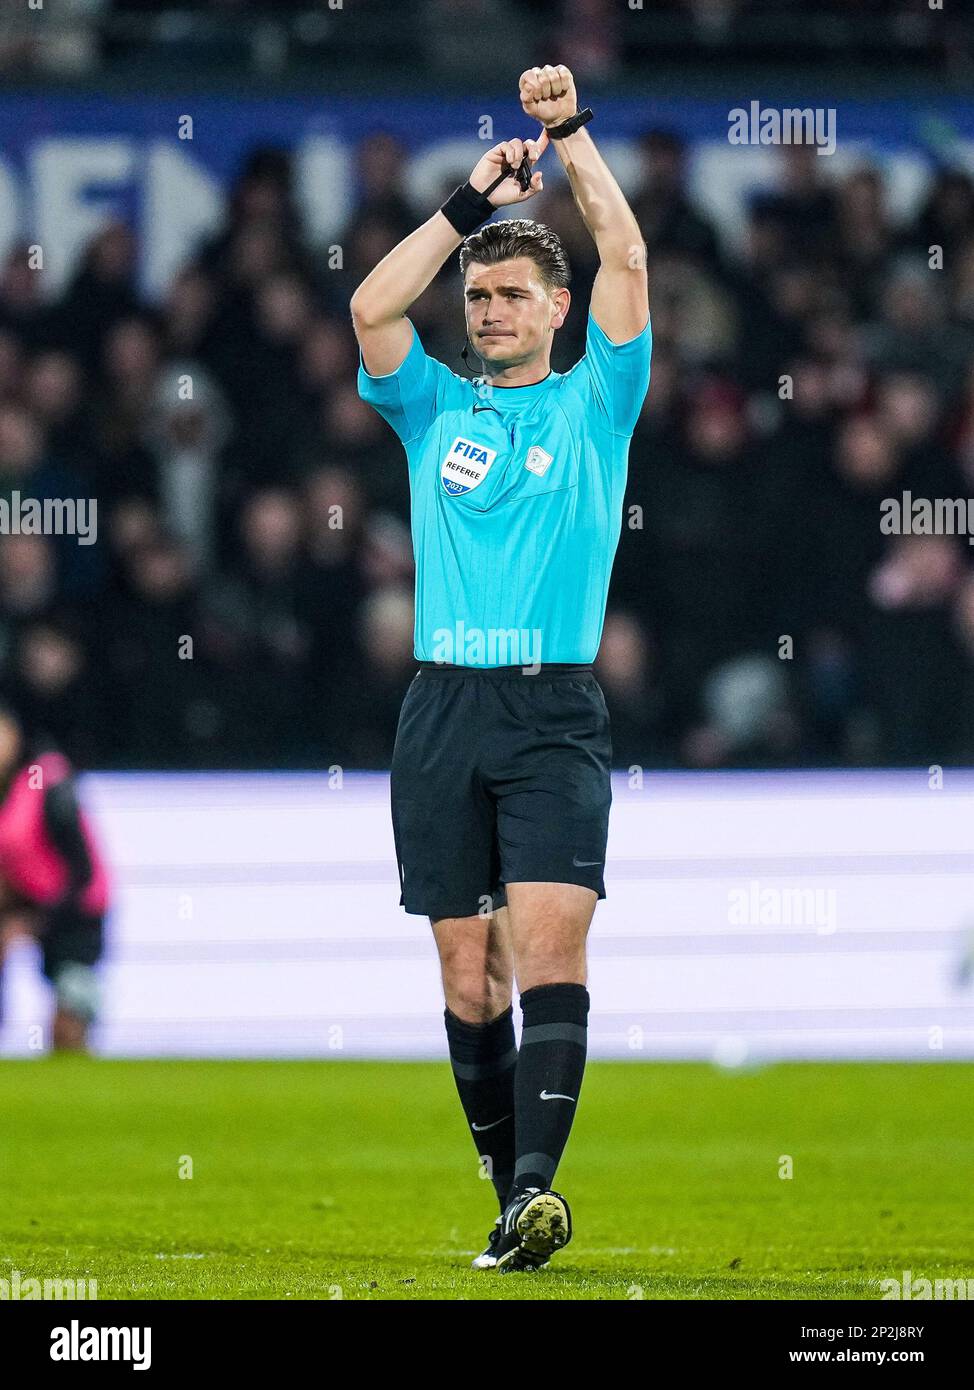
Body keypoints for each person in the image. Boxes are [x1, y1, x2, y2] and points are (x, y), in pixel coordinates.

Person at [351, 64, 651, 1272]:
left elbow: (624, 256)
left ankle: (535, 1186)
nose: (485, 311)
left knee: (547, 948)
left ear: (555, 307)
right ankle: (506, 1190)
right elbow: (373, 308)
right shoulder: (433, 409)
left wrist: (568, 137)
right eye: (477, 296)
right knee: (466, 973)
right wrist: (467, 201)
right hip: (439, 706)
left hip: (552, 711)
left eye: (510, 295)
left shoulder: (598, 401)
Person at [0, 703, 109, 1051]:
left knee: (69, 1017)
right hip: (20, 903)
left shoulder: (47, 782)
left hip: (74, 909)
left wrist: (36, 921)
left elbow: (83, 872)